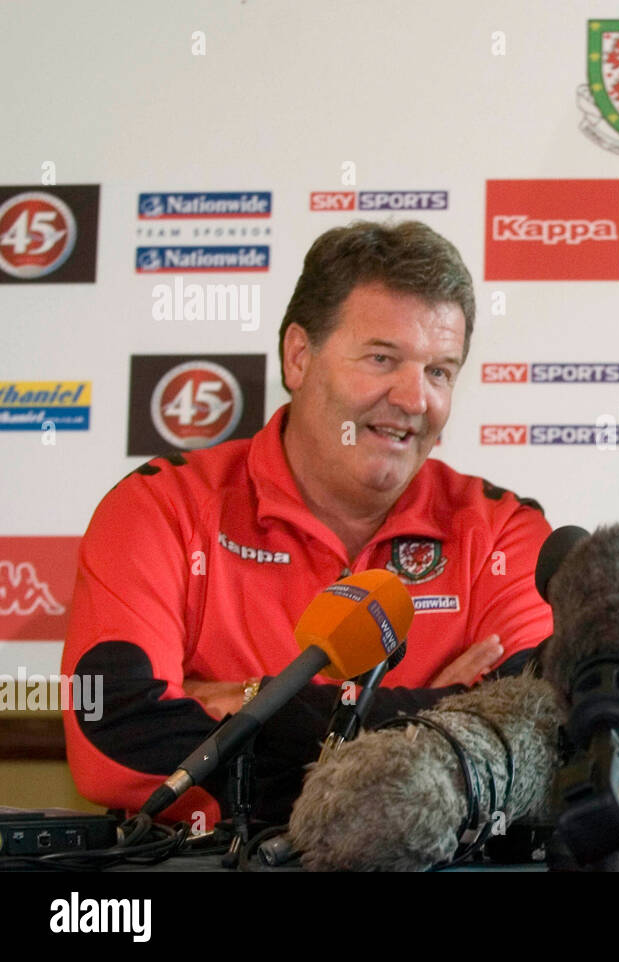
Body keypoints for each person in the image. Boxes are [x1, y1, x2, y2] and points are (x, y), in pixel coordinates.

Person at [61, 221, 553, 825]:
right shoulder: (159, 510)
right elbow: (114, 742)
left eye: (439, 371)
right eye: (382, 358)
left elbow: (536, 744)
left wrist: (247, 703)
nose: (414, 399)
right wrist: (447, 714)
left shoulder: (506, 531)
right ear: (299, 356)